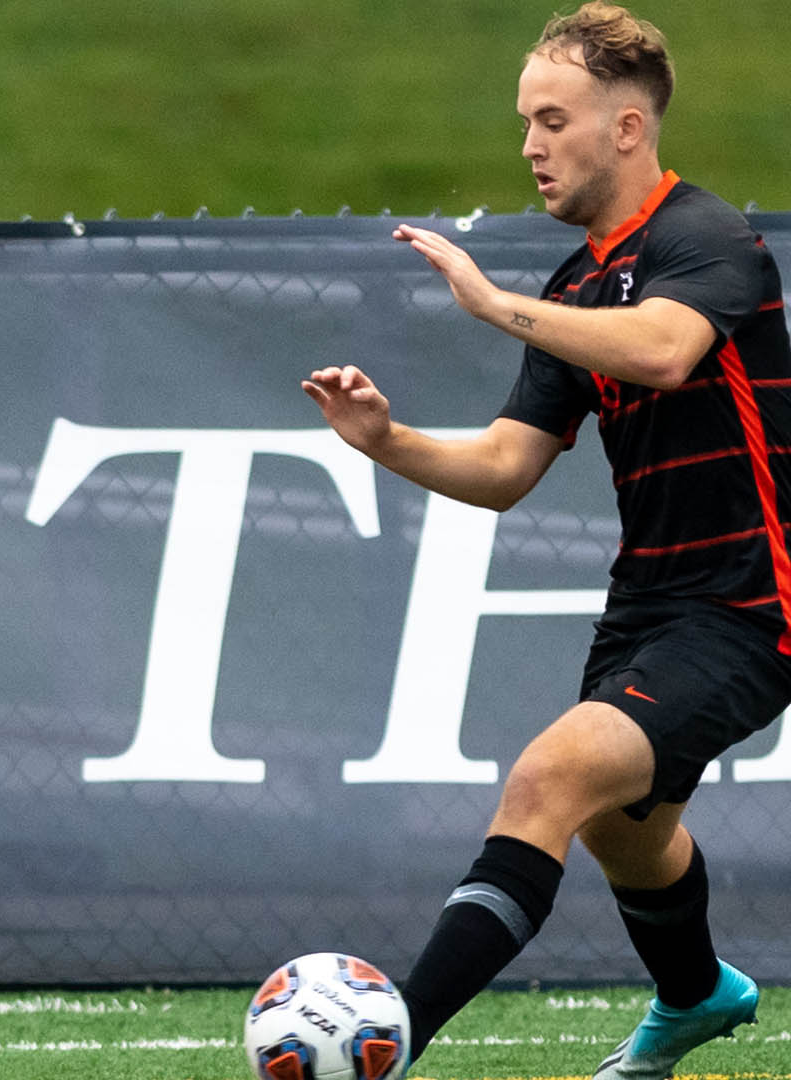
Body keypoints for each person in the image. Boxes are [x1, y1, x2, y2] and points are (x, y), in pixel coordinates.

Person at [304, 4, 784, 1076]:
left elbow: (664, 352)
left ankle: (385, 1047)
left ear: (625, 128)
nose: (528, 145)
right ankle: (700, 992)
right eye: (525, 121)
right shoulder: (576, 288)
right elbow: (506, 471)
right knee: (626, 830)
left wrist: (488, 302)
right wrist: (386, 439)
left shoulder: (706, 238)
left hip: (754, 601)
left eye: (552, 119)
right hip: (649, 603)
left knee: (548, 779)